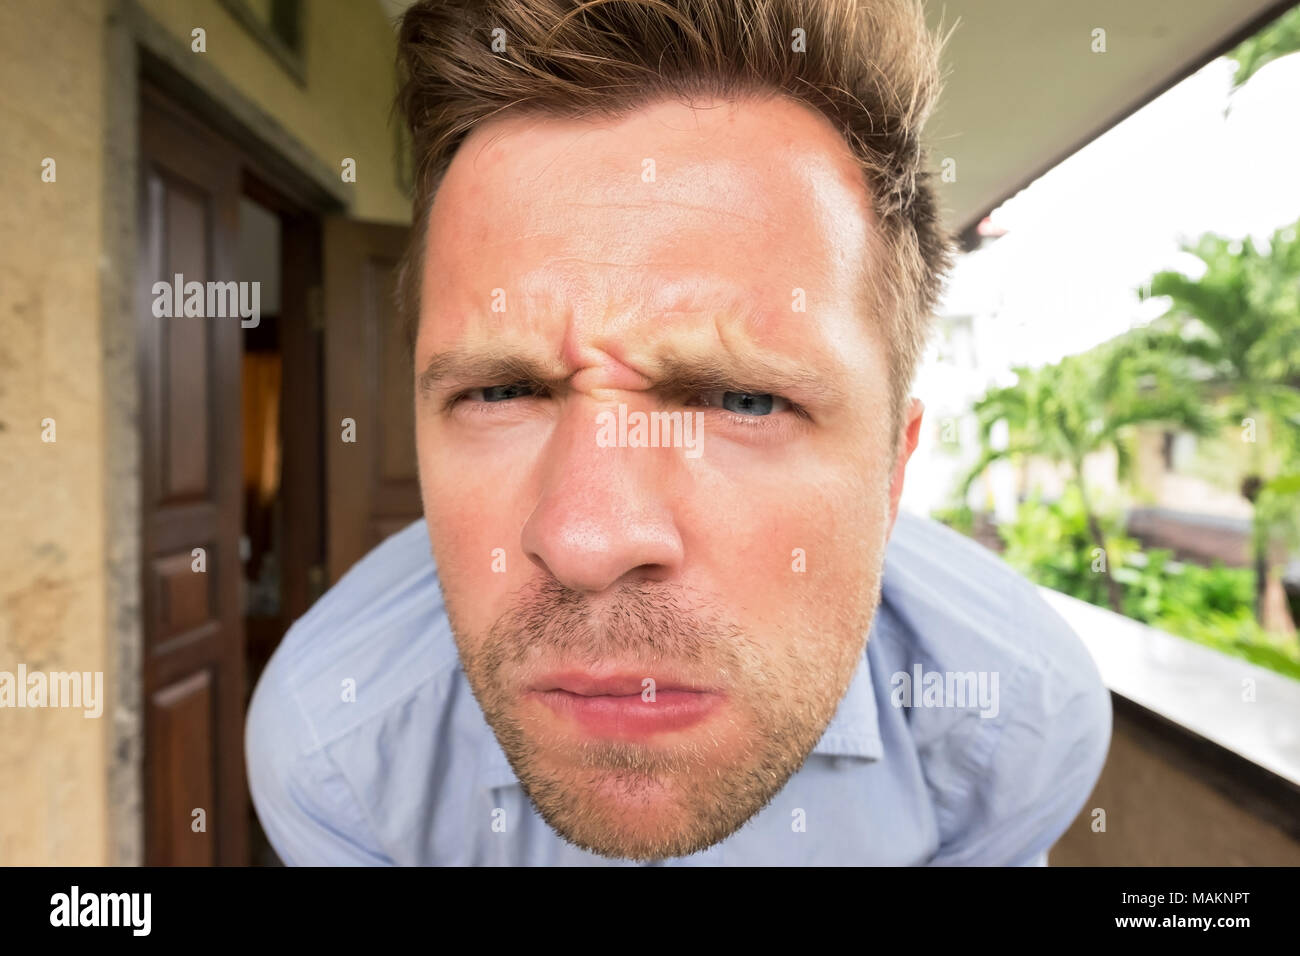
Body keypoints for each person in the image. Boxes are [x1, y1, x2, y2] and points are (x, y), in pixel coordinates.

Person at [246, 0, 1111, 866]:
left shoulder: (1014, 724)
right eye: (501, 391)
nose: (585, 540)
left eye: (742, 401)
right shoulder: (335, 754)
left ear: (893, 470)